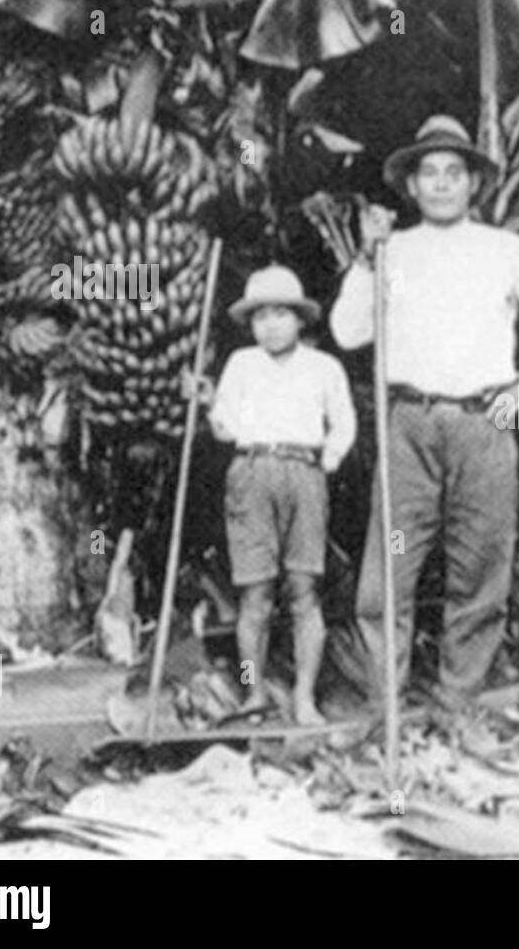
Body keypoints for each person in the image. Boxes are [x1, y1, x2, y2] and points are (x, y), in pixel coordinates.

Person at [330, 115, 519, 708]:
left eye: (453, 173)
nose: (441, 184)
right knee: (390, 564)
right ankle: (384, 702)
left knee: (481, 563)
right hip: (409, 422)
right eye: (429, 174)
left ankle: (459, 698)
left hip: (483, 422)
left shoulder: (505, 249)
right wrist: (366, 261)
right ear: (411, 187)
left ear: (473, 184)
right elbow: (347, 332)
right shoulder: (390, 252)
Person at [208, 265, 357, 725]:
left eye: (280, 314)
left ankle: (305, 697)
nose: (270, 324)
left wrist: (327, 460)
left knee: (303, 590)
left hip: (303, 471)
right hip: (252, 470)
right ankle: (253, 691)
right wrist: (206, 406)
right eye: (260, 317)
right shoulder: (241, 364)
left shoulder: (323, 367)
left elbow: (344, 421)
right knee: (254, 594)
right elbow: (225, 424)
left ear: (299, 319)